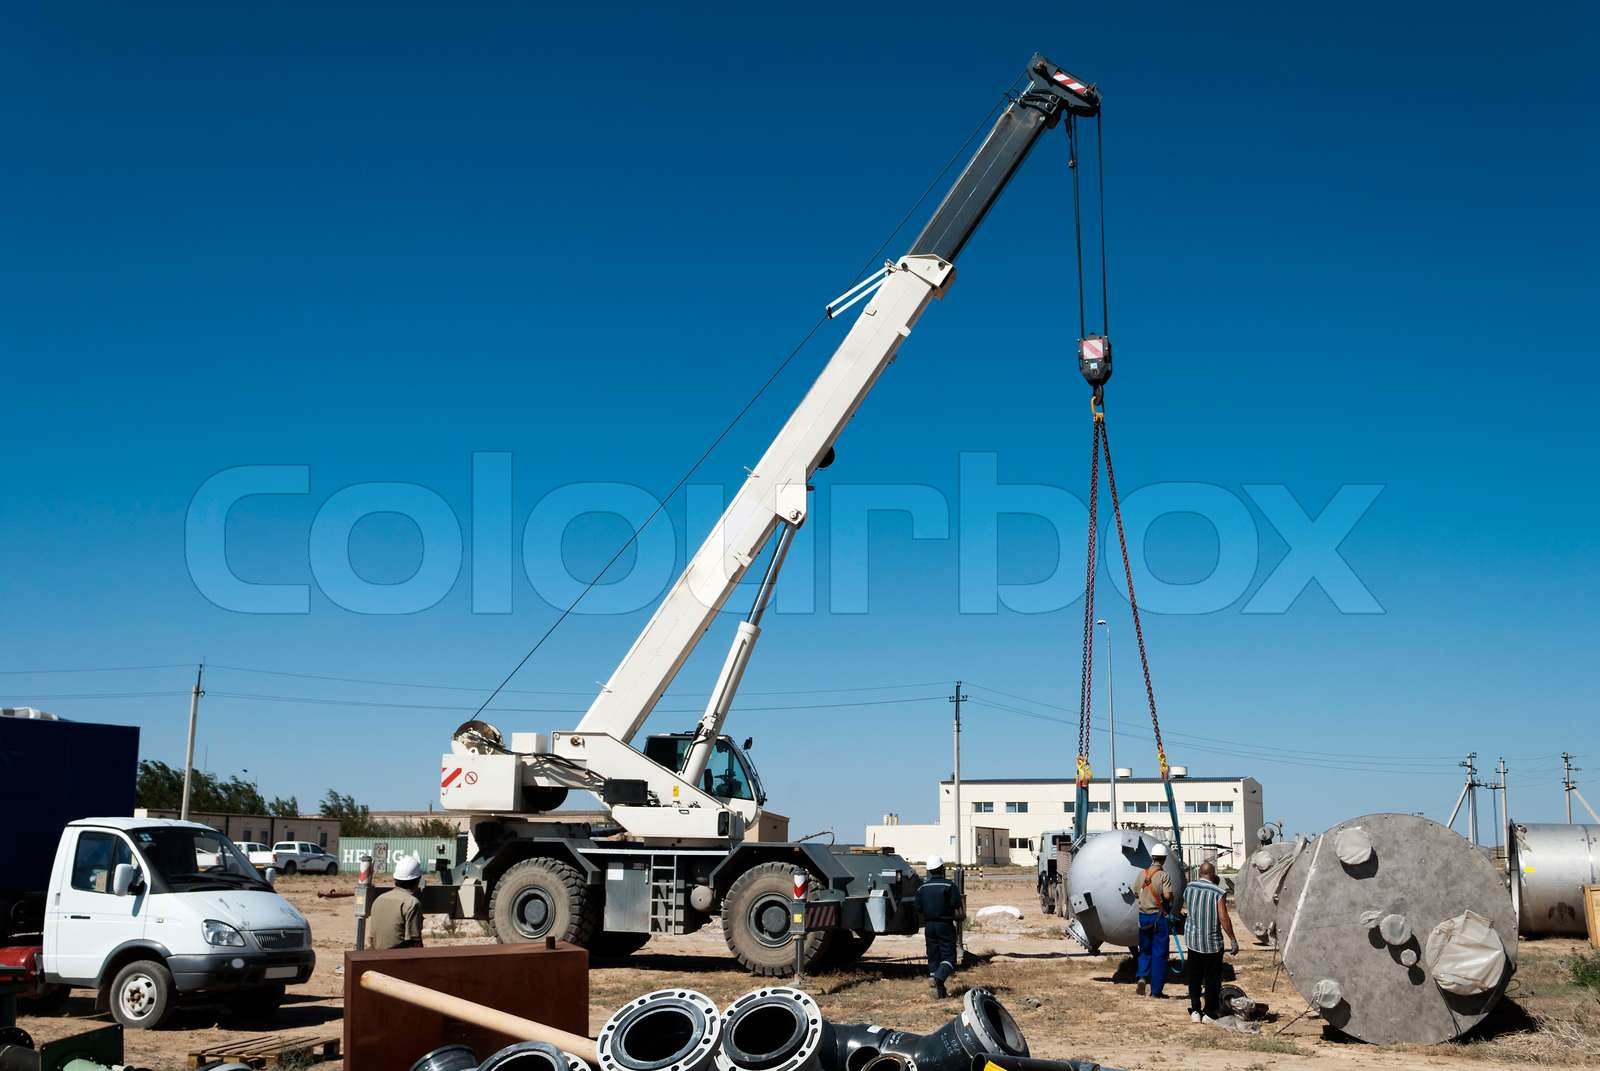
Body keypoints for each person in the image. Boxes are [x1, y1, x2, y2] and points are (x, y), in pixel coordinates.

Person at [1181, 859, 1239, 1023]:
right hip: (1211, 943)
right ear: (1212, 874)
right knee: (1212, 979)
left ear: (1200, 873)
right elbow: (1223, 917)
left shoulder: (1189, 888)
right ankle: (1209, 1012)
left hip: (1193, 941)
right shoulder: (1217, 892)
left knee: (1195, 977)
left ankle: (1195, 1010)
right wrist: (1233, 939)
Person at [915, 854, 965, 999]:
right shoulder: (949, 886)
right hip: (945, 925)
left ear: (929, 871)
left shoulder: (922, 888)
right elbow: (957, 905)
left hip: (929, 926)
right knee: (949, 958)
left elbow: (918, 908)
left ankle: (939, 991)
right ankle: (938, 978)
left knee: (933, 957)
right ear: (942, 868)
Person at [1134, 842, 1174, 998]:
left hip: (1142, 917)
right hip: (1158, 917)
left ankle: (1142, 976)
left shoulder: (1142, 874)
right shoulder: (1164, 876)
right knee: (1159, 953)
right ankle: (1156, 991)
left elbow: (1135, 892)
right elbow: (1168, 896)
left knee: (1144, 950)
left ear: (1152, 857)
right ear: (1163, 859)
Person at [370, 855, 425, 950]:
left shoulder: (379, 899)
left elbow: (372, 938)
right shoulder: (412, 903)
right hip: (398, 960)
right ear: (417, 881)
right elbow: (415, 943)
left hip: (376, 957)